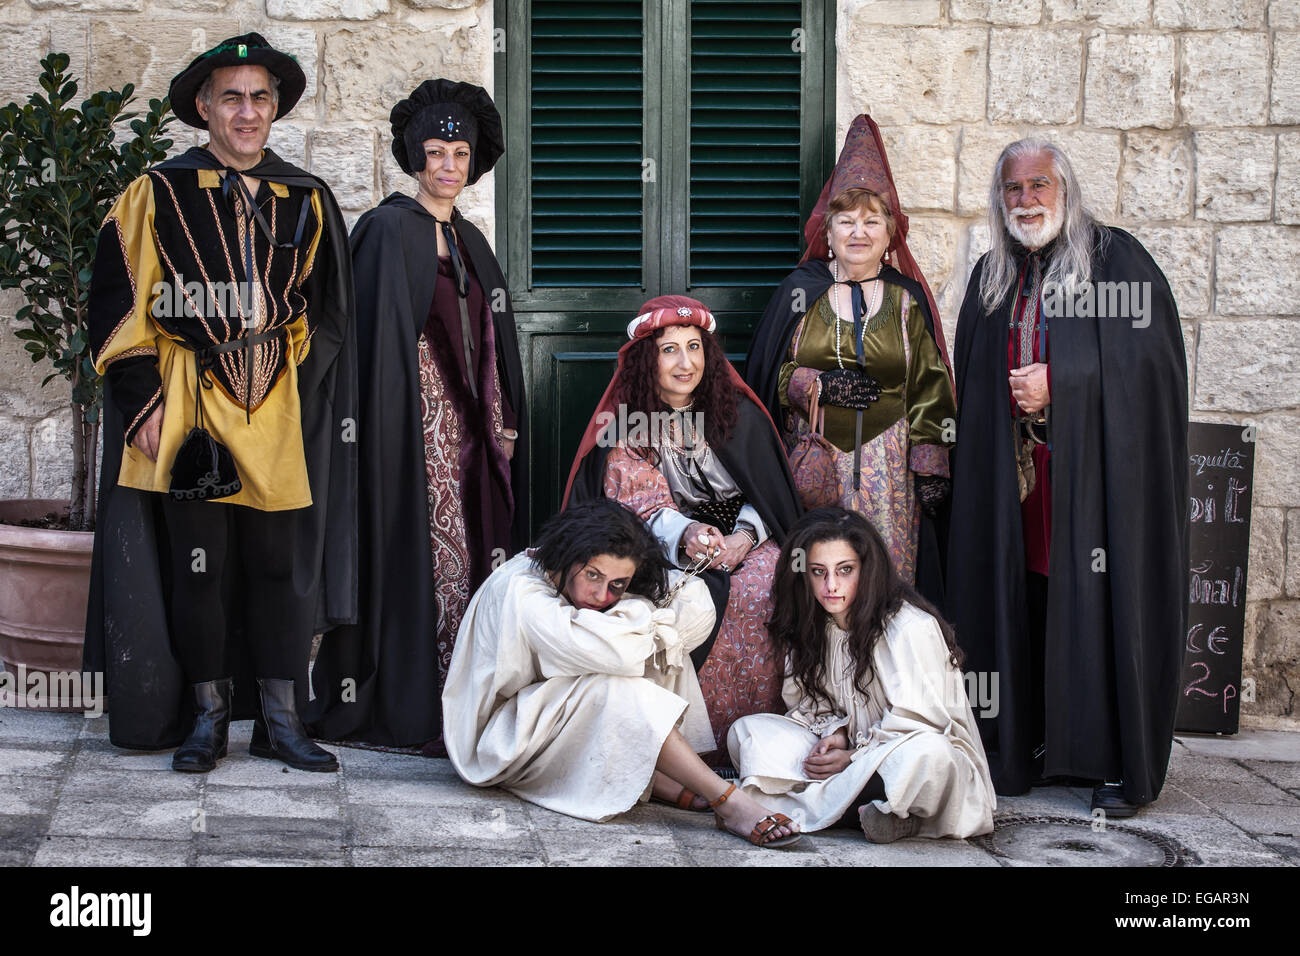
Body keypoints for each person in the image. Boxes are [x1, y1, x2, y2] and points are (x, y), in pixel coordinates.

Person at [84, 34, 357, 772]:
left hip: (272, 403)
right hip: (184, 398)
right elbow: (117, 299)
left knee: (278, 566)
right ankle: (207, 720)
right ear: (204, 107)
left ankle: (279, 719)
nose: (246, 112)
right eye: (231, 97)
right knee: (199, 565)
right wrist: (142, 407)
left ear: (275, 108)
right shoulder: (157, 190)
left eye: (259, 97)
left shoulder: (306, 196)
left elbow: (327, 312)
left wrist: (298, 389)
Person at [947, 138, 1188, 818]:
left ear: (1066, 189)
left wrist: (1065, 382)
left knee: (1101, 607)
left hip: (1097, 482)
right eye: (1013, 189)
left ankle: (1115, 761)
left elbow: (1152, 372)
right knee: (1026, 602)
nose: (1027, 200)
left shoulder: (1117, 262)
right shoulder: (996, 276)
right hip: (1019, 483)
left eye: (1039, 186)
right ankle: (1028, 747)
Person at [306, 79, 528, 751]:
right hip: (408, 434)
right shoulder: (384, 230)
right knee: (426, 558)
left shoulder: (473, 241)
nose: (447, 167)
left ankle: (470, 695)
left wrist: (504, 419)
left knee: (474, 560)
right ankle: (415, 698)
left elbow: (495, 343)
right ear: (416, 158)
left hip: (473, 439)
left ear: (473, 163)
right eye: (434, 153)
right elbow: (368, 350)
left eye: (458, 155)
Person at [443, 499, 801, 848]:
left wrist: (644, 614)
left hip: (542, 716)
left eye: (617, 583)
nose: (601, 594)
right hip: (501, 739)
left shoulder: (593, 590)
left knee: (656, 649)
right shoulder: (522, 591)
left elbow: (696, 603)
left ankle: (658, 777)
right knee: (621, 681)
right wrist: (650, 616)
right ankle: (729, 802)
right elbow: (616, 651)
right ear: (569, 558)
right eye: (592, 576)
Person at [564, 295, 802, 756]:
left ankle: (762, 738)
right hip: (663, 544)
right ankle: (690, 745)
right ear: (646, 359)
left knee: (770, 584)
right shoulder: (627, 424)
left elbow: (770, 496)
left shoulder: (740, 414)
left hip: (747, 536)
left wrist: (743, 538)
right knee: (675, 602)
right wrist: (689, 535)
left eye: (694, 347)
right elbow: (641, 503)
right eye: (669, 349)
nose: (684, 362)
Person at [747, 115, 955, 601]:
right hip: (817, 466)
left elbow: (930, 383)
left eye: (871, 221)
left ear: (889, 234)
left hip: (892, 473)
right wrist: (813, 384)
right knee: (821, 583)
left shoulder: (906, 300)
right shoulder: (800, 293)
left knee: (887, 581)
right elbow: (767, 374)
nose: (858, 232)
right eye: (847, 221)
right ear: (829, 230)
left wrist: (931, 463)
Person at [728, 508, 995, 842]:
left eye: (845, 570)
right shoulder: (814, 625)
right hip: (851, 760)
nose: (831, 586)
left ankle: (850, 806)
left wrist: (853, 758)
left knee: (930, 755)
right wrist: (836, 734)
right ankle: (876, 812)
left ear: (866, 570)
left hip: (899, 758)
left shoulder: (908, 627)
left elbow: (926, 723)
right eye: (817, 572)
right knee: (748, 732)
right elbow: (810, 706)